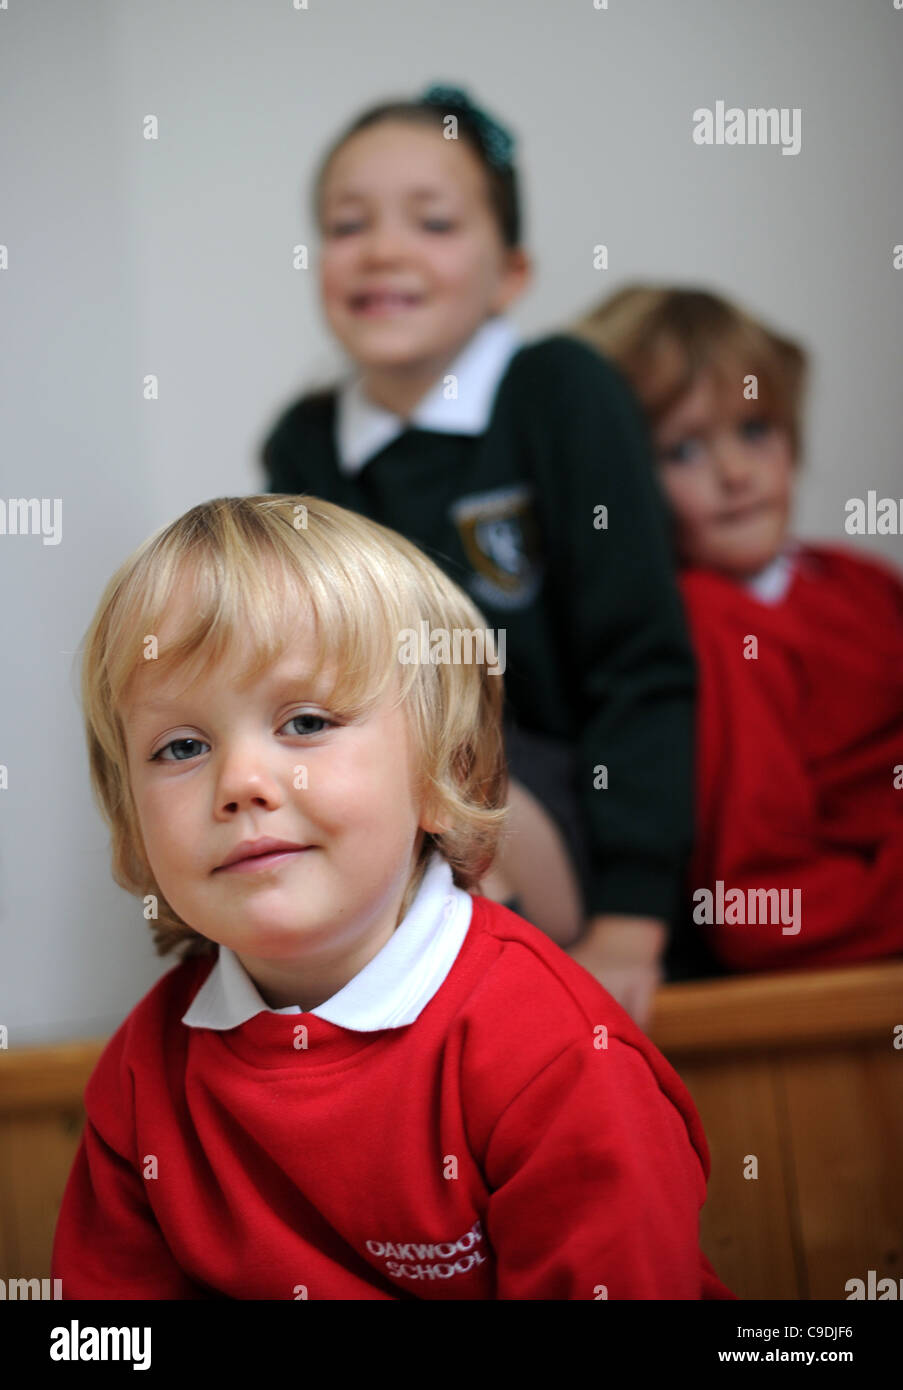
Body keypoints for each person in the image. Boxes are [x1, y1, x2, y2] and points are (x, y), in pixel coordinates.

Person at [50, 495, 733, 1300]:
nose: (240, 783)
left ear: (445, 773)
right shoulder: (142, 1073)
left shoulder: (550, 1055)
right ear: (132, 824)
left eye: (305, 722)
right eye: (183, 746)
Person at [259, 84, 696, 1029]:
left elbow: (641, 662)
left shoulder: (559, 391)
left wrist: (632, 916)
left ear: (510, 274)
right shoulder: (303, 444)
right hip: (388, 783)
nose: (382, 247)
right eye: (346, 223)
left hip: (563, 792)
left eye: (434, 220)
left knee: (451, 813)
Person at [572, 286, 903, 973]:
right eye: (683, 451)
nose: (734, 473)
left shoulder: (857, 580)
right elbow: (756, 905)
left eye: (754, 430)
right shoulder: (703, 623)